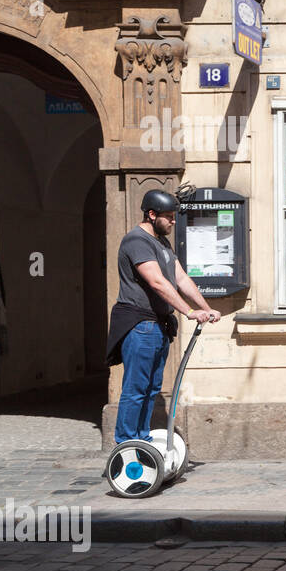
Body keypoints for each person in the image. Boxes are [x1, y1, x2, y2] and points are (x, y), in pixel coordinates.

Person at [106, 188, 219, 444]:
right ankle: (126, 444)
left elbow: (180, 278)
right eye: (168, 216)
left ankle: (142, 439)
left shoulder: (161, 243)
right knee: (136, 389)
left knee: (151, 389)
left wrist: (206, 307)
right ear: (151, 214)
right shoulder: (136, 241)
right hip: (140, 325)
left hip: (157, 326)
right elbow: (157, 282)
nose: (173, 221)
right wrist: (189, 312)